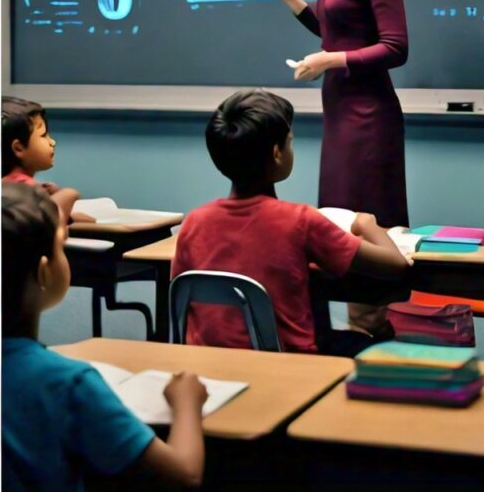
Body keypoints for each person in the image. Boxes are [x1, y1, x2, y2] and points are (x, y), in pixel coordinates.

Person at [170, 89, 407, 355]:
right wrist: (365, 222)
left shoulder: (194, 222)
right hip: (290, 362)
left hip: (211, 364)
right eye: (290, 141)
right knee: (378, 344)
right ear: (277, 153)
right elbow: (396, 265)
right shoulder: (300, 221)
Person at [3, 183, 206, 491]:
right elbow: (184, 476)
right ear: (44, 272)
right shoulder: (69, 383)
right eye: (62, 246)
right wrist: (187, 402)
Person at [255, 0, 409, 228]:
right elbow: (334, 32)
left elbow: (396, 47)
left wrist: (327, 61)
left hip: (368, 119)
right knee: (339, 231)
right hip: (341, 114)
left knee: (368, 233)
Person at [1, 96, 85, 224]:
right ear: (18, 148)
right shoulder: (18, 191)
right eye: (43, 135)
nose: (52, 142)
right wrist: (68, 195)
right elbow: (50, 227)